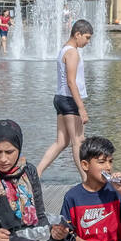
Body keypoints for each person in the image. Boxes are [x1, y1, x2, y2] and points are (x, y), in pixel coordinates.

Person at [37, 19, 92, 179]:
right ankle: (86, 179)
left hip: (60, 98)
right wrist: (81, 108)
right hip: (69, 100)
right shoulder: (72, 52)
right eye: (87, 37)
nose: (88, 42)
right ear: (77, 34)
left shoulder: (64, 49)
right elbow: (71, 81)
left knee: (61, 142)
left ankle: (37, 172)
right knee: (78, 141)